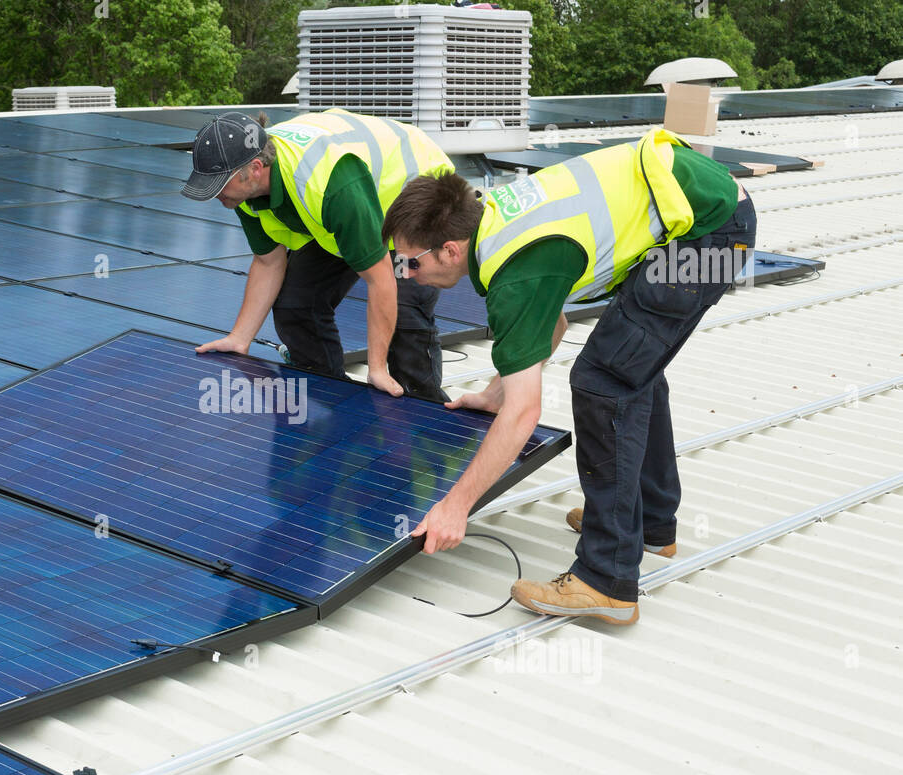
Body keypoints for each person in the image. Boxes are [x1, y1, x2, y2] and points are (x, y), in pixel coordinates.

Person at [381, 128, 757, 624]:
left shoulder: (515, 272)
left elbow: (525, 412)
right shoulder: (494, 220)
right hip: (699, 209)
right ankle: (650, 526)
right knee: (632, 361)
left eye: (409, 262)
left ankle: (607, 580)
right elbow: (551, 323)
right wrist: (495, 393)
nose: (403, 274)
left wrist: (456, 506)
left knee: (605, 381)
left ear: (450, 250)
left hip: (710, 236)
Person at [181, 109, 456, 400]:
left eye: (219, 182)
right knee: (296, 305)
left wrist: (376, 368)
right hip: (349, 212)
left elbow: (380, 279)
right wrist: (239, 338)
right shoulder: (243, 193)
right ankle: (338, 408)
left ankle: (426, 428)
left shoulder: (327, 183)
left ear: (256, 168)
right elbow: (268, 261)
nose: (214, 193)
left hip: (416, 200)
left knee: (405, 312)